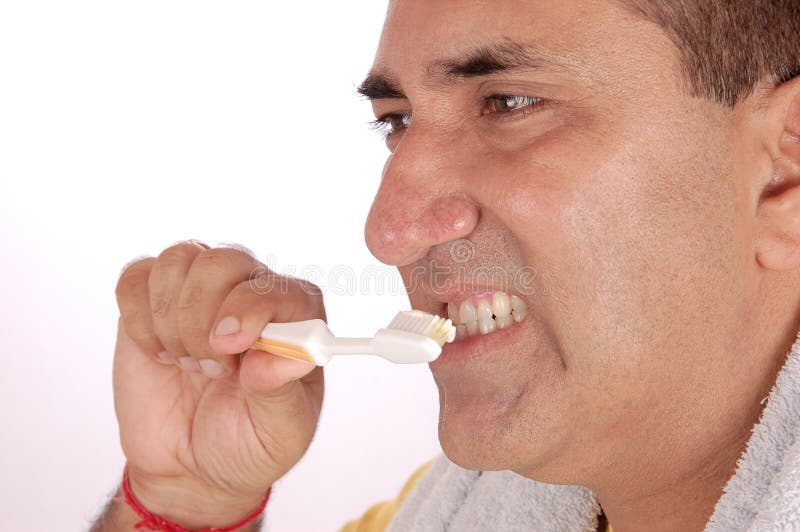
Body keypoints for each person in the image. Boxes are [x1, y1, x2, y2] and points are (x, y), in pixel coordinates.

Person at [91, 1, 800, 531]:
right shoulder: (440, 515)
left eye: (510, 103)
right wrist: (185, 505)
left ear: (783, 175)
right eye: (397, 120)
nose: (389, 232)